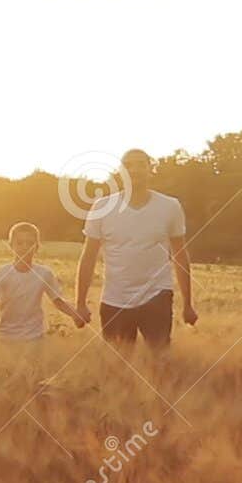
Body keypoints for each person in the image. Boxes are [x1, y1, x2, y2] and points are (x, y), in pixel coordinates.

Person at [74, 149, 198, 349]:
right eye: (129, 165)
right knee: (118, 364)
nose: (135, 170)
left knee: (159, 360)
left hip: (157, 295)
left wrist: (188, 304)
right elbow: (88, 257)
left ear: (151, 169)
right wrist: (80, 303)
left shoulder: (170, 206)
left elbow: (180, 255)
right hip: (115, 298)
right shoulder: (102, 207)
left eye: (141, 164)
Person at [0, 222, 87, 342]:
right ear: (11, 245)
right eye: (19, 243)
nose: (24, 247)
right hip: (6, 336)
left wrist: (75, 315)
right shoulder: (2, 273)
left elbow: (58, 300)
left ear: (37, 247)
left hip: (35, 336)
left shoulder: (45, 273)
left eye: (30, 243)